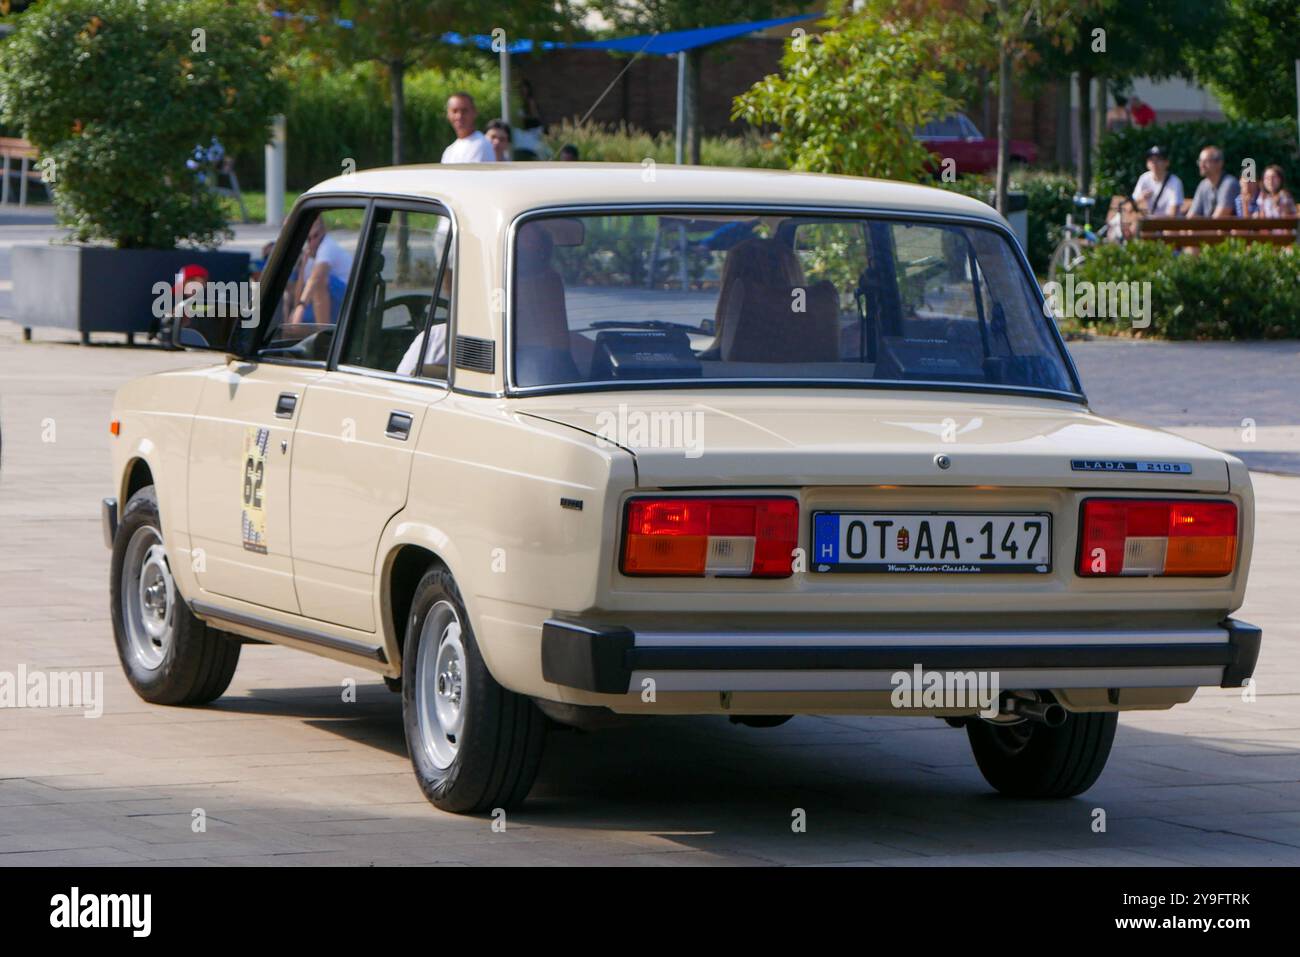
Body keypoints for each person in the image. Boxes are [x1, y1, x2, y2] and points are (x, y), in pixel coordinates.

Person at [289, 215, 353, 326]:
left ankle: (323, 333)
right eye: (308, 239)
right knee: (290, 328)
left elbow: (316, 278)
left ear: (324, 231)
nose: (312, 242)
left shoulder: (327, 246)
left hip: (349, 297)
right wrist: (303, 267)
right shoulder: (309, 255)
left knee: (319, 282)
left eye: (316, 236)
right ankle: (323, 336)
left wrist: (301, 306)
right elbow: (299, 295)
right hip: (327, 302)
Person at [440, 92, 496, 164]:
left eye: (464, 111)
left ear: (474, 112)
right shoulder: (449, 151)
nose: (459, 116)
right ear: (448, 114)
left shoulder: (481, 144)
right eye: (454, 111)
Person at [1188, 145, 1240, 219]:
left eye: (1206, 161)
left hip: (1223, 229)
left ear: (1219, 163)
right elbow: (1191, 217)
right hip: (1207, 228)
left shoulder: (1229, 184)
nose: (1201, 165)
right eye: (1200, 161)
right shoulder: (1203, 185)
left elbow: (1217, 221)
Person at [1131, 146, 1184, 216]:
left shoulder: (1175, 182)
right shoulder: (1144, 178)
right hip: (1150, 223)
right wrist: (1140, 198)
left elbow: (1172, 214)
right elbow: (1131, 206)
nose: (1154, 162)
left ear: (1167, 162)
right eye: (1151, 159)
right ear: (1147, 163)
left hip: (1169, 225)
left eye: (1159, 159)